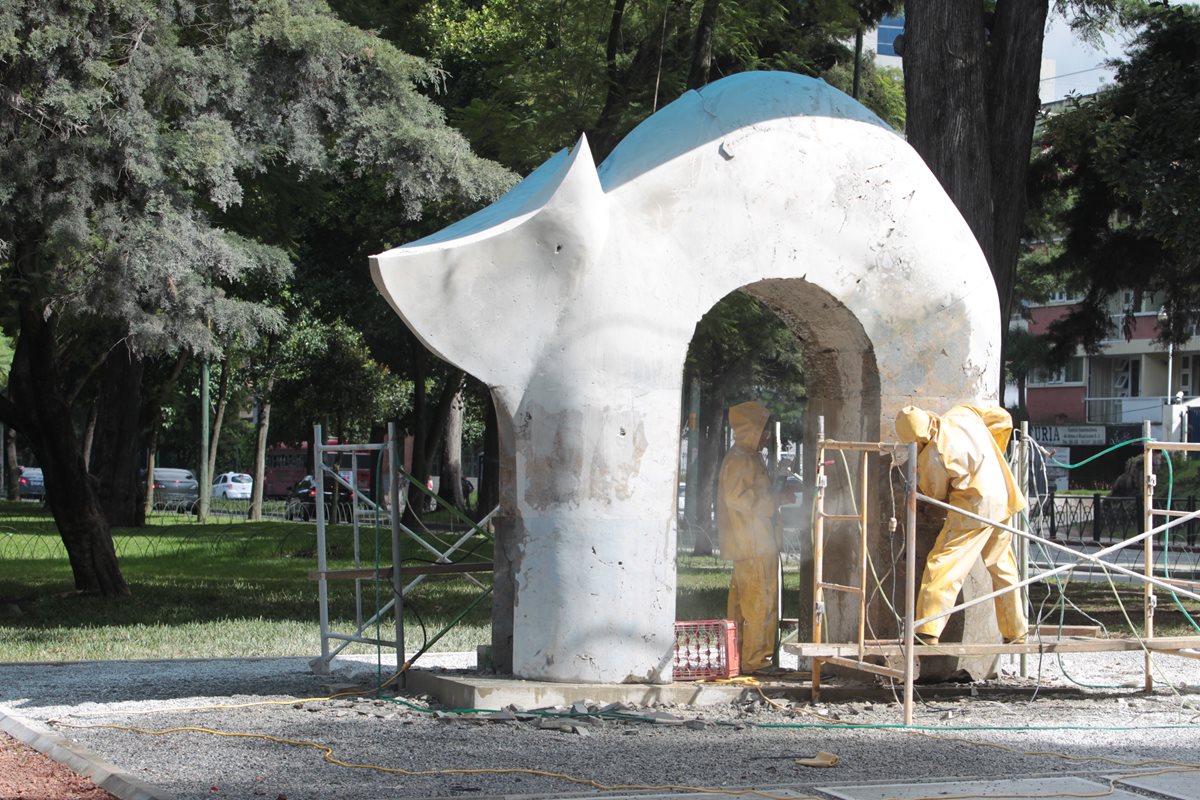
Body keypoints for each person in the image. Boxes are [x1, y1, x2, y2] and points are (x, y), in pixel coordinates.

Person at [895, 404, 1028, 646]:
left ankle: (927, 628)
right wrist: (994, 450)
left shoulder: (933, 453)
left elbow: (934, 493)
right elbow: (1002, 419)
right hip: (1003, 495)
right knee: (1002, 566)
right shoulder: (961, 414)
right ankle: (1016, 630)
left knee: (944, 564)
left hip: (974, 508)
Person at [717, 401, 793, 672]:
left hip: (753, 543)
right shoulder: (740, 460)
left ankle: (741, 658)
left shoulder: (748, 457)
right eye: (763, 430)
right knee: (761, 603)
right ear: (750, 430)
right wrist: (775, 501)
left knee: (745, 604)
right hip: (754, 543)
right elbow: (738, 499)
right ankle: (756, 661)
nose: (767, 436)